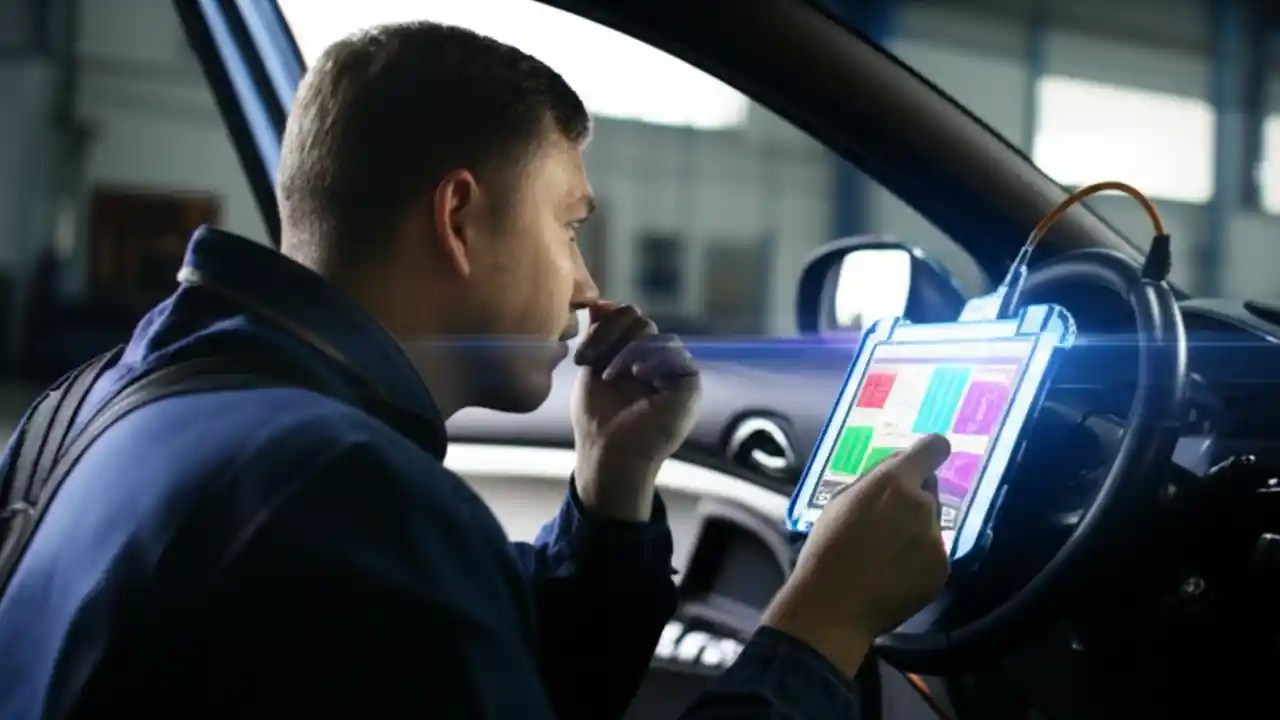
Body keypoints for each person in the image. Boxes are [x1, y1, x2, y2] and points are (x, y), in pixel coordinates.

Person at [0, 21, 950, 720]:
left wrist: (611, 490)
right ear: (458, 218)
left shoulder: (82, 412)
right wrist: (822, 627)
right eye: (569, 228)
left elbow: (472, 666)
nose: (587, 286)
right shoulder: (342, 492)